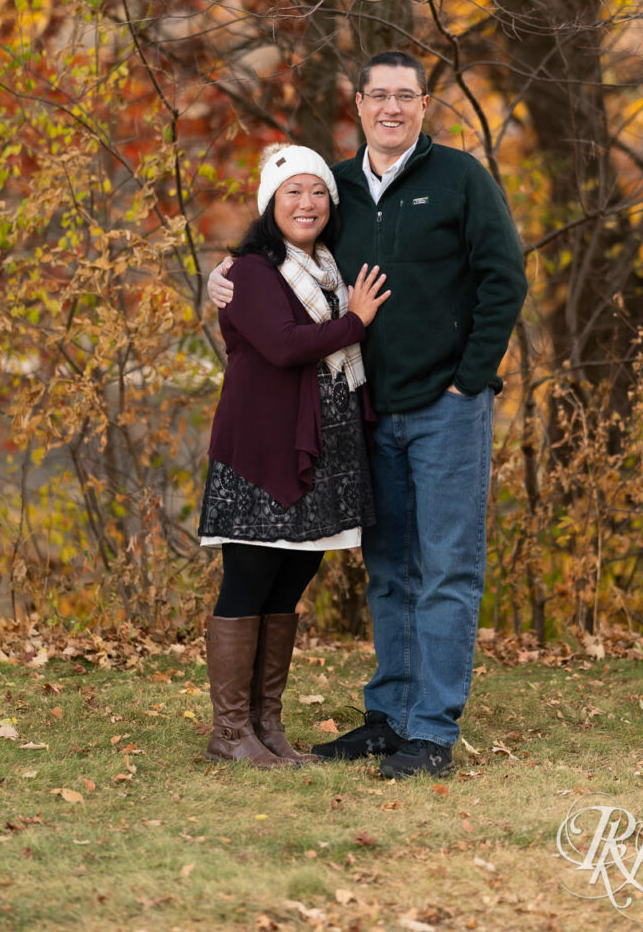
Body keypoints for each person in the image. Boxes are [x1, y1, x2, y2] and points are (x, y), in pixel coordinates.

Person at [208, 51, 527, 778]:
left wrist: (467, 380)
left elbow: (504, 281)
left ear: (424, 104)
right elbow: (280, 251)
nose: (391, 107)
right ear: (357, 105)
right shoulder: (339, 187)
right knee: (388, 568)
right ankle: (388, 715)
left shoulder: (461, 180)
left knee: (447, 567)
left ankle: (432, 728)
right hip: (369, 414)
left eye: (405, 96)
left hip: (447, 408)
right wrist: (221, 276)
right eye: (378, 95)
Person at [199, 143, 389, 769]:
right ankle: (229, 732)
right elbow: (284, 347)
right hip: (262, 446)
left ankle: (265, 726)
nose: (306, 203)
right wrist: (355, 321)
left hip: (323, 444)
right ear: (270, 204)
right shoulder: (252, 271)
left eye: (316, 192)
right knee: (249, 579)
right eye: (292, 192)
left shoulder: (331, 269)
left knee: (290, 581)